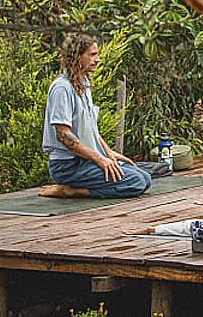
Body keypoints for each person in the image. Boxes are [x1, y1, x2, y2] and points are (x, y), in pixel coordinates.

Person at [39, 34, 151, 199]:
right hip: (68, 166)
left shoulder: (83, 84)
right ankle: (71, 191)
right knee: (136, 182)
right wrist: (99, 159)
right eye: (92, 55)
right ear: (77, 57)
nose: (97, 59)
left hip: (86, 160)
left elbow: (91, 130)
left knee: (145, 178)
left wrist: (109, 153)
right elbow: (63, 136)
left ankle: (78, 185)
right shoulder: (62, 88)